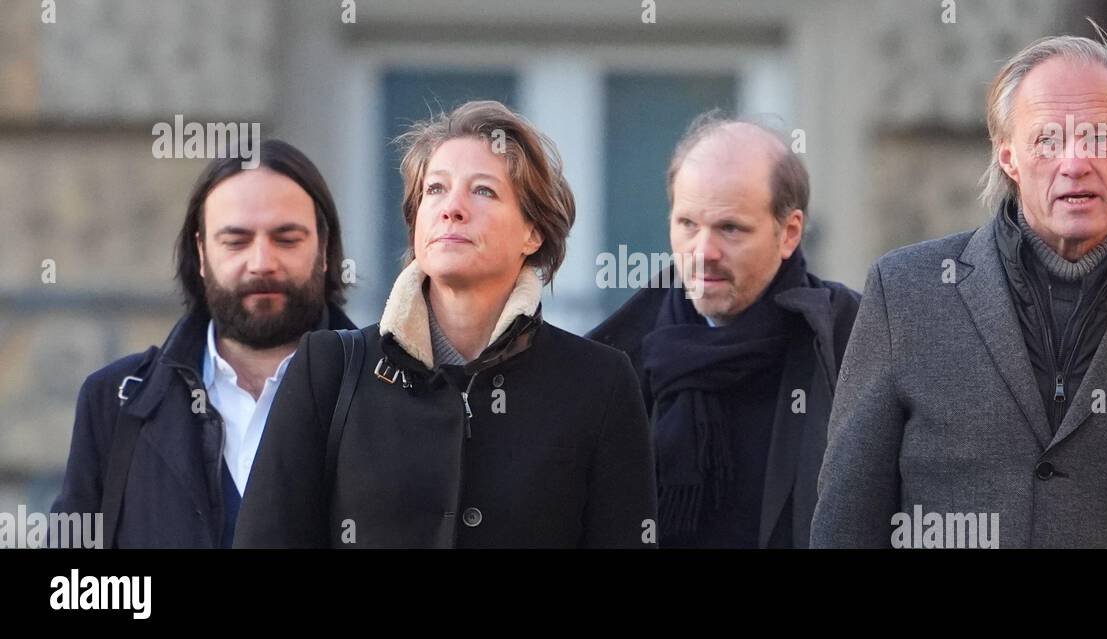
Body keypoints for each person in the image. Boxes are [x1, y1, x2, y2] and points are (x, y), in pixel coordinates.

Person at [812, 26, 1107, 548]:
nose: (1075, 163)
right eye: (1048, 139)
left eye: (1101, 137)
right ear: (1008, 155)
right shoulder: (906, 294)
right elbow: (845, 524)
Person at [235, 101, 656, 548]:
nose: (451, 208)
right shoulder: (329, 370)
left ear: (533, 232)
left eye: (483, 191)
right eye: (435, 189)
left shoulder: (599, 383)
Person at [50, 139, 356, 548]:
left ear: (324, 249)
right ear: (200, 251)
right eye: (236, 240)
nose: (262, 262)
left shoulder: (385, 397)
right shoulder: (116, 404)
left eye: (286, 239)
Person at [589, 113, 860, 548]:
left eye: (730, 228)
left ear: (789, 232)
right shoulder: (612, 356)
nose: (704, 252)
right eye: (688, 225)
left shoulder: (854, 340)